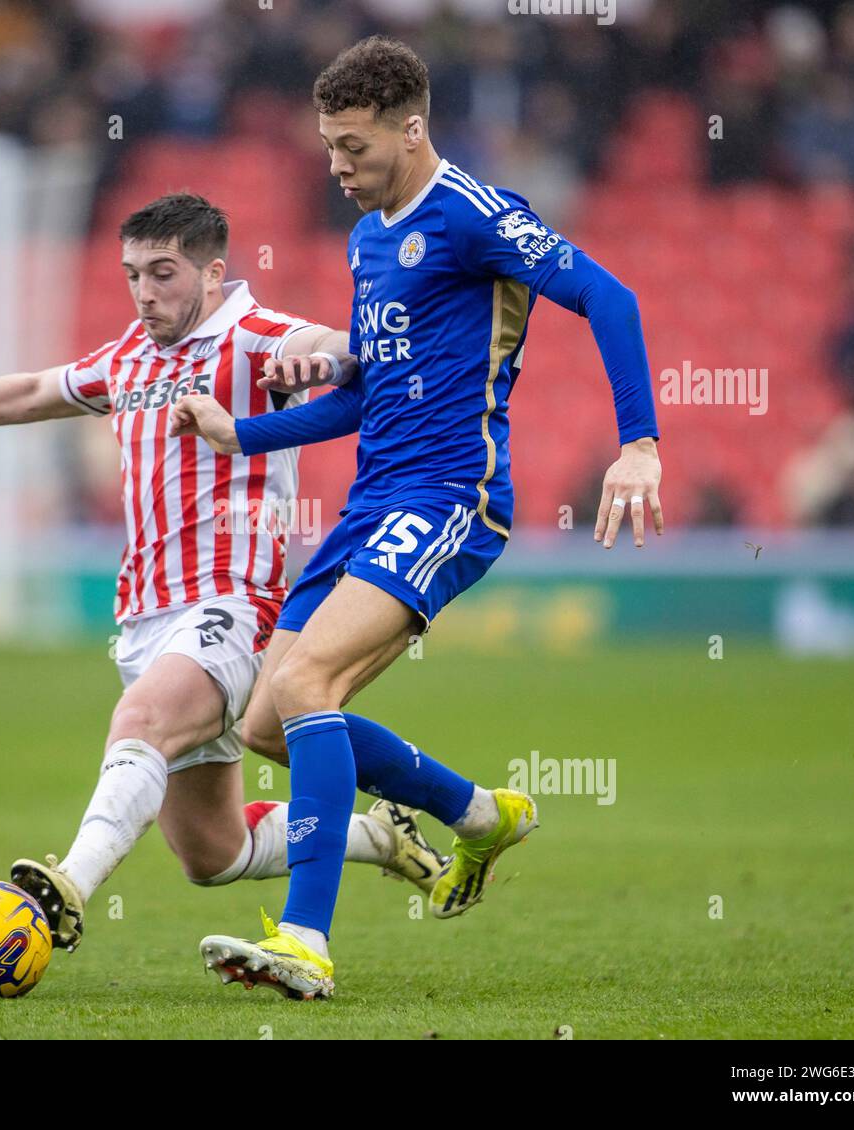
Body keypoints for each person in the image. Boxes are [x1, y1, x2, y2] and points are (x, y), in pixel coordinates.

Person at [0, 192, 447, 958]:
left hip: (234, 605)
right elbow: (29, 392)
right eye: (132, 273)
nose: (145, 291)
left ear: (213, 273)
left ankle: (64, 891)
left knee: (139, 723)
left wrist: (330, 360)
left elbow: (339, 344)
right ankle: (378, 837)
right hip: (145, 618)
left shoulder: (254, 338)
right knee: (210, 856)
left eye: (164, 273)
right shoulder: (128, 358)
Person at [171, 38, 663, 1001]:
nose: (337, 167)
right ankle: (479, 815)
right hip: (370, 503)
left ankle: (306, 942)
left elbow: (611, 295)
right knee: (270, 720)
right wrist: (246, 433)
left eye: (352, 146)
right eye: (327, 147)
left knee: (310, 679)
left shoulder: (474, 216)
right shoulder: (365, 241)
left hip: (449, 497)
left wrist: (639, 442)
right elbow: (373, 397)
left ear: (412, 127)